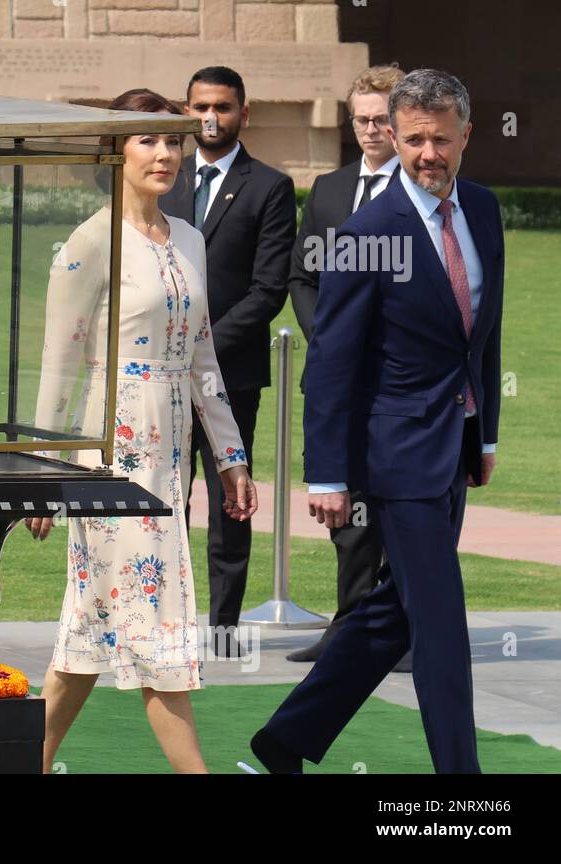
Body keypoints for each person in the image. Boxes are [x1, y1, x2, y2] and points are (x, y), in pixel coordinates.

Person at [251, 69, 502, 774]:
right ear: (393, 136)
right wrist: (327, 475)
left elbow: (487, 333)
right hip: (393, 457)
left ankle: (286, 738)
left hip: (453, 445)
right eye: (415, 138)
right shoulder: (365, 231)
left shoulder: (483, 211)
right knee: (441, 625)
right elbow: (331, 361)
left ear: (466, 137)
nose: (429, 153)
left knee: (395, 610)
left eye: (441, 139)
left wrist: (484, 433)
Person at [25, 89, 257, 775]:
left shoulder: (189, 238)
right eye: (147, 141)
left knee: (89, 636)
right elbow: (57, 363)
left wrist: (231, 457)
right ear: (114, 151)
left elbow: (203, 355)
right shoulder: (89, 243)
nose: (166, 154)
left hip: (170, 458)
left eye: (174, 141)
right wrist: (44, 468)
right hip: (111, 462)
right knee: (158, 627)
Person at [159, 67, 296, 657]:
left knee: (228, 499)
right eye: (198, 107)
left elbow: (268, 291)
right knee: (163, 496)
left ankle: (221, 627)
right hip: (159, 373)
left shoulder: (269, 186)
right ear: (186, 112)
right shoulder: (163, 179)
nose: (209, 116)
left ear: (244, 112)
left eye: (222, 106)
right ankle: (160, 620)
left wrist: (200, 342)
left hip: (228, 373)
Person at [285, 63, 413, 671]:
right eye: (360, 119)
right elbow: (302, 277)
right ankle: (350, 631)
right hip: (337, 386)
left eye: (381, 120)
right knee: (346, 510)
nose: (369, 130)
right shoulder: (331, 191)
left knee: (402, 507)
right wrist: (331, 344)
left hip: (398, 383)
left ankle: (402, 634)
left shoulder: (424, 191)